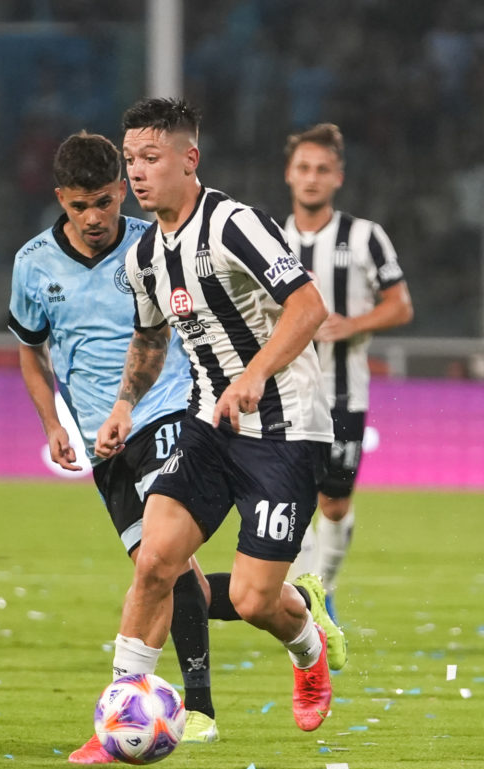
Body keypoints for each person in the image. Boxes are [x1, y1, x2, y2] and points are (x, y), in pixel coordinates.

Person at [95, 97, 342, 734]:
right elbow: (150, 339)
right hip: (209, 425)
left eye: (151, 158)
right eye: (131, 161)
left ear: (189, 159)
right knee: (154, 562)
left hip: (286, 431)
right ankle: (120, 716)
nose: (138, 173)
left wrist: (255, 374)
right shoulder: (143, 257)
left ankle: (308, 648)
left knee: (251, 600)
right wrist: (124, 405)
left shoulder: (236, 225)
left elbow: (308, 307)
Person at [8, 131, 225, 764]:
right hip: (104, 445)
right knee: (156, 571)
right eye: (80, 206)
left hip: (169, 413)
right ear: (61, 200)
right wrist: (53, 424)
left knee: (161, 560)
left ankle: (192, 708)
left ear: (122, 190)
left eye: (104, 201)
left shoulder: (153, 246)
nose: (95, 217)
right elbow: (29, 352)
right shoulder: (34, 264)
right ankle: (289, 607)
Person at [280, 123, 413, 625]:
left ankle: (325, 586)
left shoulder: (364, 237)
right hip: (284, 395)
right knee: (287, 496)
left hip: (342, 393)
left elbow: (401, 306)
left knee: (334, 503)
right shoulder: (270, 238)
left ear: (337, 177)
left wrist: (352, 324)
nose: (311, 178)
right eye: (303, 169)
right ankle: (304, 597)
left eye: (322, 170)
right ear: (288, 175)